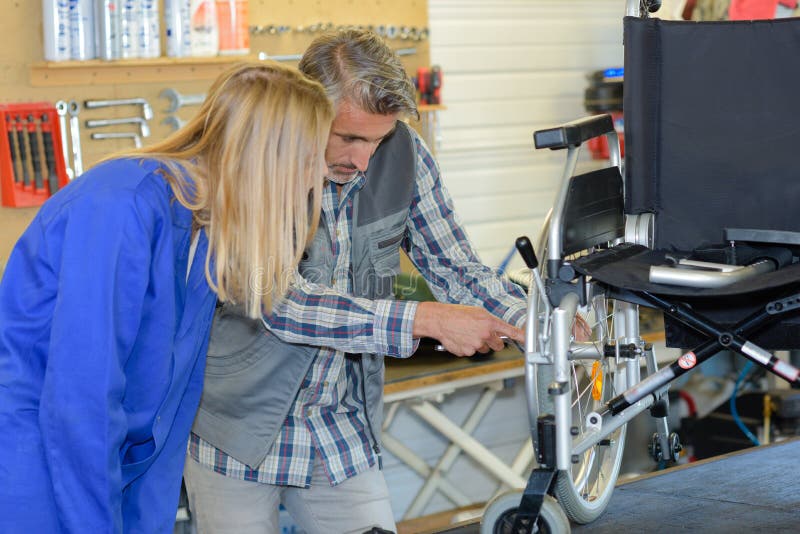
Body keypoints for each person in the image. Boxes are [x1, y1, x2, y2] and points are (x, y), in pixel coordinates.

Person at [183, 30, 529, 534]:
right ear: (306, 111)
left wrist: (531, 322)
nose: (363, 161)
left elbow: (455, 266)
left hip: (340, 422)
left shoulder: (405, 154)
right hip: (236, 426)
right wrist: (426, 319)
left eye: (378, 140)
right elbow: (282, 301)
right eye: (349, 137)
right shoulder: (257, 161)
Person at [0, 62, 335, 533]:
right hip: (35, 467)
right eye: (313, 157)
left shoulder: (204, 231)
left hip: (105, 466)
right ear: (269, 159)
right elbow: (82, 399)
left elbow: (171, 409)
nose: (324, 173)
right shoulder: (122, 207)